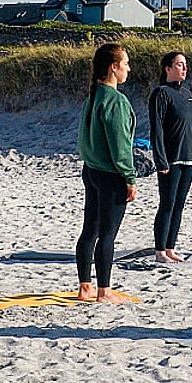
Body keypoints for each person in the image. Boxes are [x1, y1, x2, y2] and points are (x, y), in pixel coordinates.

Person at [75, 43, 138, 303]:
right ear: (114, 67)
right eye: (125, 64)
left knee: (90, 229)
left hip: (91, 170)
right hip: (109, 174)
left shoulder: (93, 96)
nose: (128, 69)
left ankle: (85, 286)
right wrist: (130, 177)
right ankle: (104, 291)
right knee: (107, 233)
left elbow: (82, 139)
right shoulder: (115, 100)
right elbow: (120, 144)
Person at [148, 51, 192, 264]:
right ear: (168, 68)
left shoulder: (188, 94)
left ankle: (171, 247)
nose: (184, 68)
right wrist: (160, 159)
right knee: (167, 203)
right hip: (170, 159)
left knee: (179, 205)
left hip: (188, 158)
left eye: (185, 64)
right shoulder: (161, 93)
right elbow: (157, 129)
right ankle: (160, 250)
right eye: (179, 64)